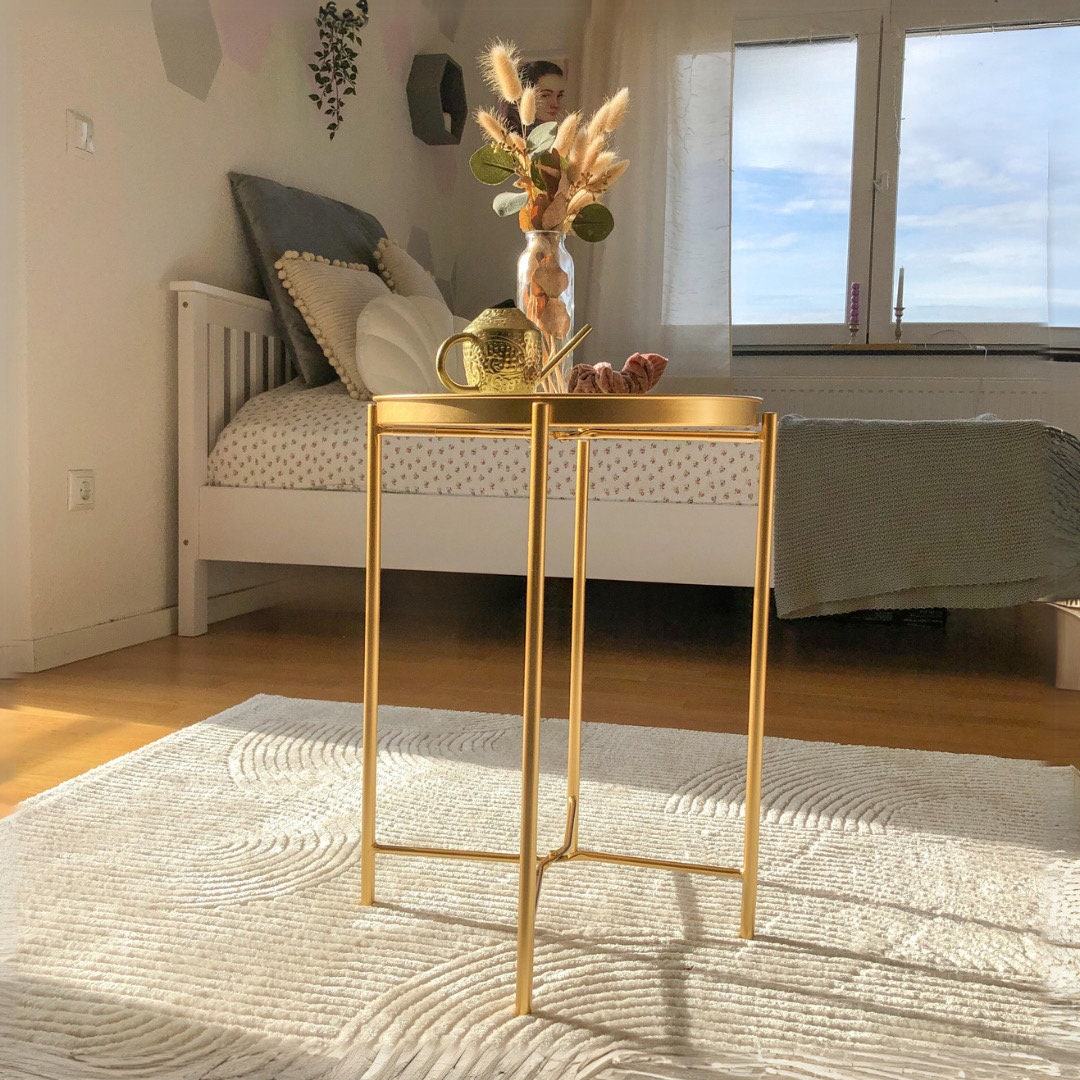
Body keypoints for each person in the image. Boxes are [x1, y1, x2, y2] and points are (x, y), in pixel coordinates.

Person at [497, 60, 566, 133]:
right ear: (524, 97)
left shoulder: (556, 135)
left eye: (559, 95)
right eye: (545, 95)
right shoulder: (510, 139)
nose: (555, 104)